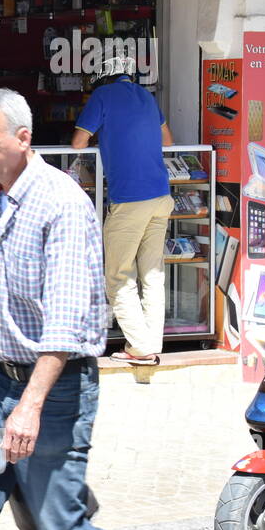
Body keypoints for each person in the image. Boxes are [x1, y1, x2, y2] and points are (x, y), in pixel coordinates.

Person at [0, 87, 190, 530]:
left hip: (55, 391)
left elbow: (65, 326)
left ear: (23, 138)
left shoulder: (62, 204)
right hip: (0, 387)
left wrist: (28, 406)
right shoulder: (1, 194)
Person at [72, 55, 175, 366]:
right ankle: (149, 344)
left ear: (105, 77)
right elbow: (167, 141)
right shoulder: (147, 96)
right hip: (161, 197)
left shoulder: (102, 96)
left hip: (129, 200)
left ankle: (140, 349)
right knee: (152, 274)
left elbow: (77, 143)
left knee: (118, 275)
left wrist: (105, 140)